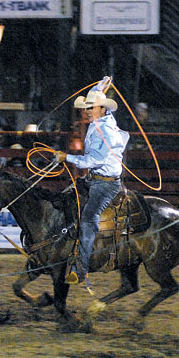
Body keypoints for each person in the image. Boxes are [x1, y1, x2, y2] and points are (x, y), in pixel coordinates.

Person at [54, 77, 130, 286]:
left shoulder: (104, 130)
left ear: (103, 109)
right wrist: (99, 88)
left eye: (91, 107)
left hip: (106, 184)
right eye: (86, 107)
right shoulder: (101, 121)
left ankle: (81, 268)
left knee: (89, 218)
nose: (87, 110)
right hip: (94, 179)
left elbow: (95, 160)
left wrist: (65, 157)